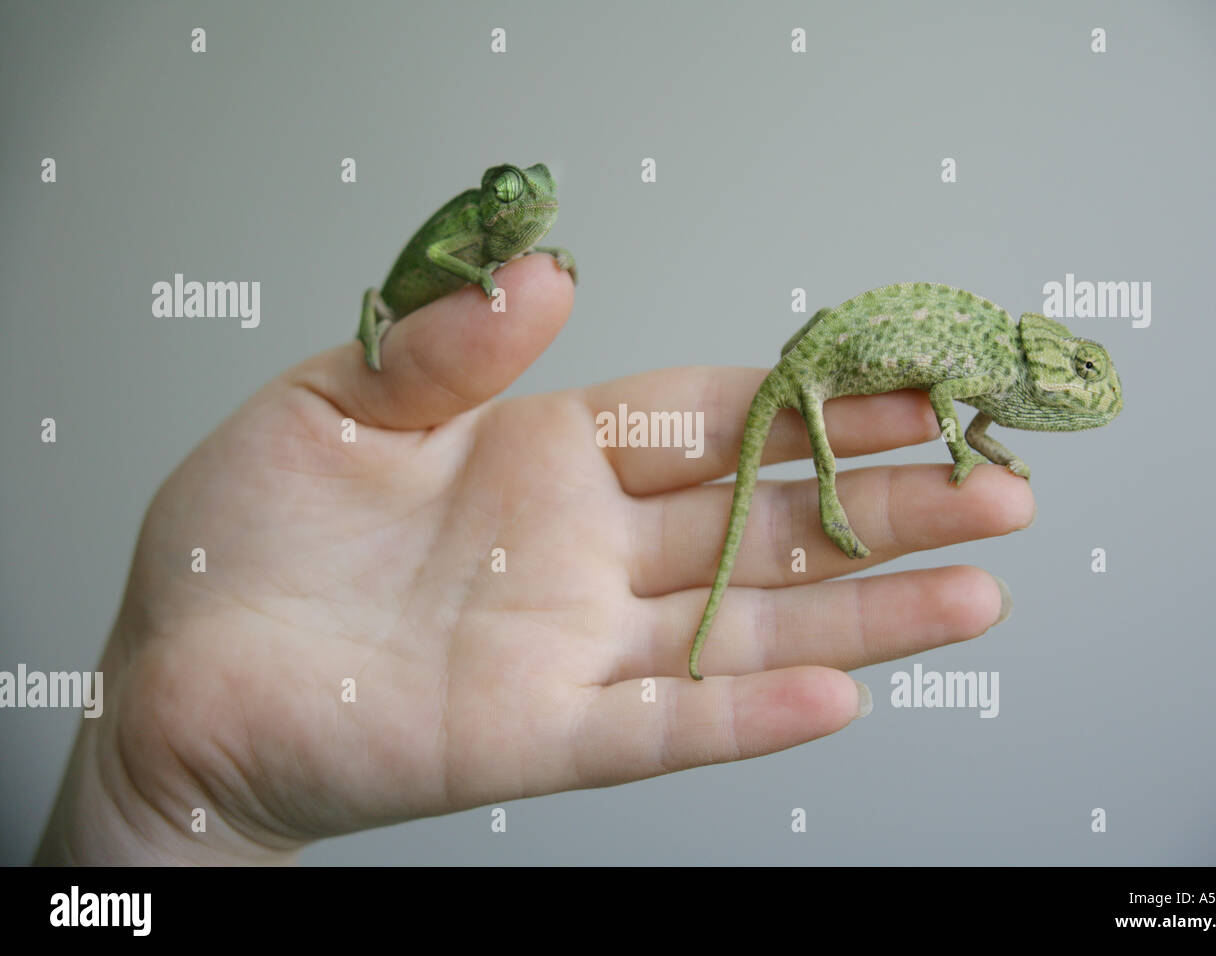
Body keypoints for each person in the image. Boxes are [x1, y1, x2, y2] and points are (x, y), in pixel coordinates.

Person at [35, 255, 1027, 864]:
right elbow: (944, 408)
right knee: (784, 478)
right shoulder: (980, 362)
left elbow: (954, 404)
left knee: (757, 518)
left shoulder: (990, 361)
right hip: (815, 368)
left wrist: (168, 814)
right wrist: (147, 796)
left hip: (824, 366)